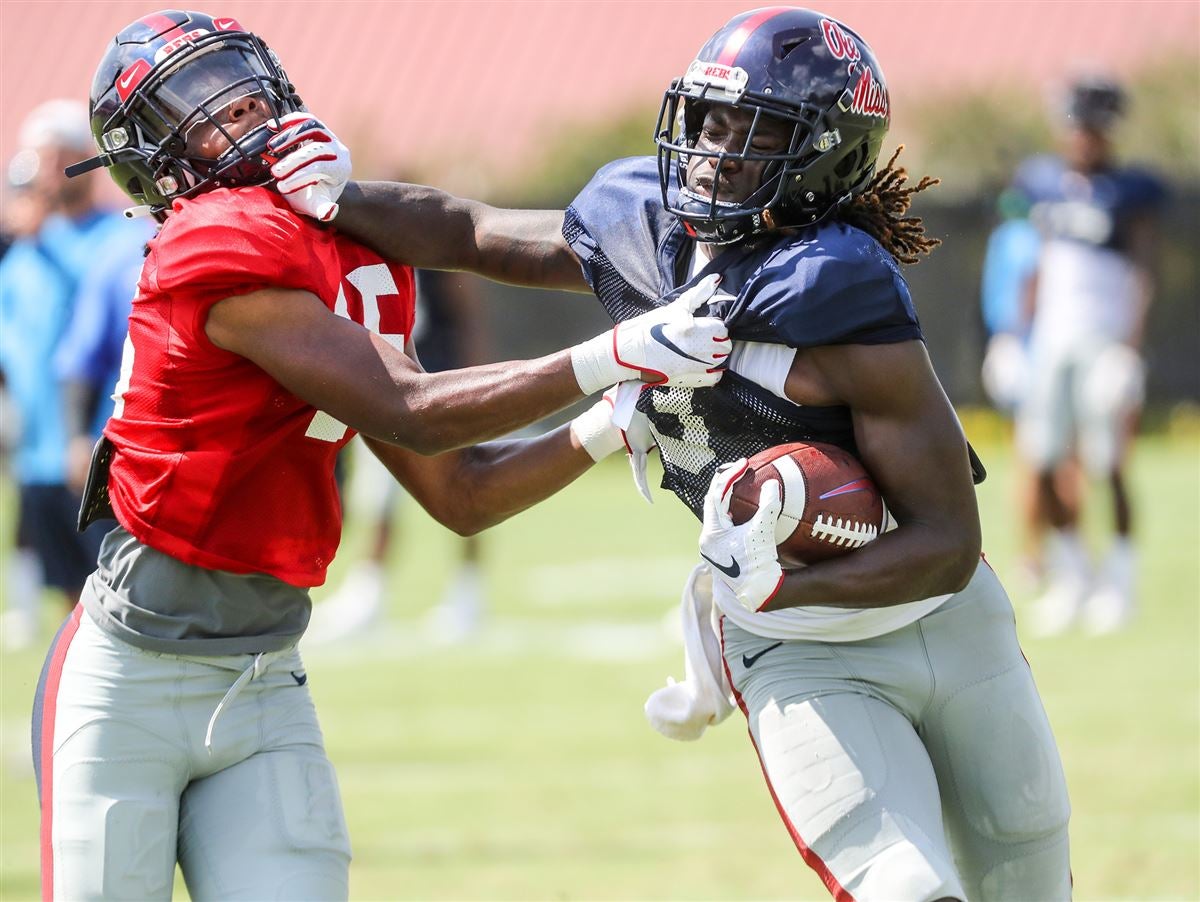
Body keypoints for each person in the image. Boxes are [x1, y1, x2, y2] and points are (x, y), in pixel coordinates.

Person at [283, 7, 1072, 899]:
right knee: (903, 888)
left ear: (827, 155)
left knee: (1032, 887)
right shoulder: (645, 227)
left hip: (944, 622)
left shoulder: (834, 286)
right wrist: (333, 197)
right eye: (711, 120)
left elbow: (947, 543)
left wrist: (781, 584)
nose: (714, 152)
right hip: (797, 652)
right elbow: (473, 232)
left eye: (756, 130)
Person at [33, 10, 727, 900]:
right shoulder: (212, 239)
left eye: (235, 77)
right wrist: (615, 356)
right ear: (156, 162)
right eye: (194, 102)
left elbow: (461, 493)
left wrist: (612, 426)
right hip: (127, 678)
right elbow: (414, 411)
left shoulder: (340, 239)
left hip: (264, 679)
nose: (235, 105)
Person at [1014, 76, 1166, 635]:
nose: (1083, 138)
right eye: (1077, 127)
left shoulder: (1130, 191)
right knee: (1044, 458)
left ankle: (1120, 580)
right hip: (1052, 340)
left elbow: (1144, 274)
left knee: (1108, 463)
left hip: (1104, 341)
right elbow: (1035, 265)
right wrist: (1014, 336)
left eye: (1093, 128)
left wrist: (1129, 350)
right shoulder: (1043, 183)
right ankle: (1073, 575)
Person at [0, 99, 135, 649]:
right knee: (70, 606)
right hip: (37, 452)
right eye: (38, 159)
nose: (45, 173)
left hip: (97, 447)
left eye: (57, 158)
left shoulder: (117, 237)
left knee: (117, 595)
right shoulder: (22, 252)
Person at [307, 270, 493, 646]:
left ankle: (468, 590)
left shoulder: (436, 251)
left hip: (439, 376)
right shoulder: (375, 247)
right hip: (389, 380)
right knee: (379, 491)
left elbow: (464, 306)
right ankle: (368, 592)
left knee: (461, 485)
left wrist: (475, 373)